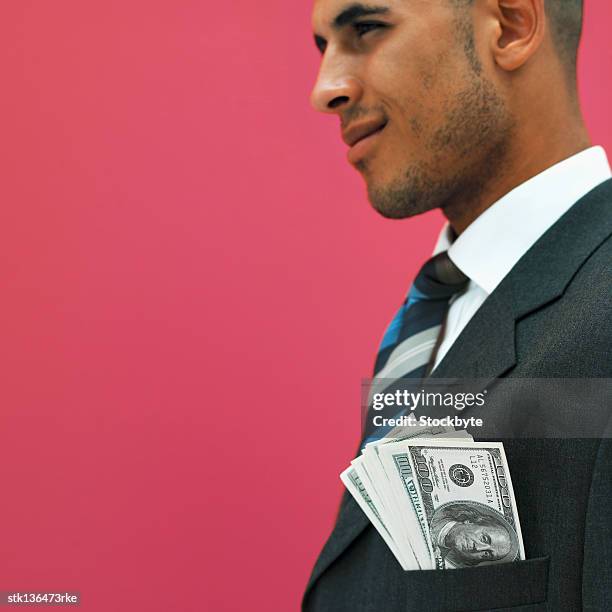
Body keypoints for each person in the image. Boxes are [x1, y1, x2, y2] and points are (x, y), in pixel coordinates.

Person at [303, 1, 612, 610]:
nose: (325, 90)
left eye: (366, 29)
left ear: (512, 25)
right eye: (322, 48)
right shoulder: (436, 314)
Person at [429, 502, 519, 567]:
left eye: (486, 554)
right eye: (484, 539)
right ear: (470, 521)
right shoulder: (435, 513)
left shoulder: (436, 562)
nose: (478, 548)